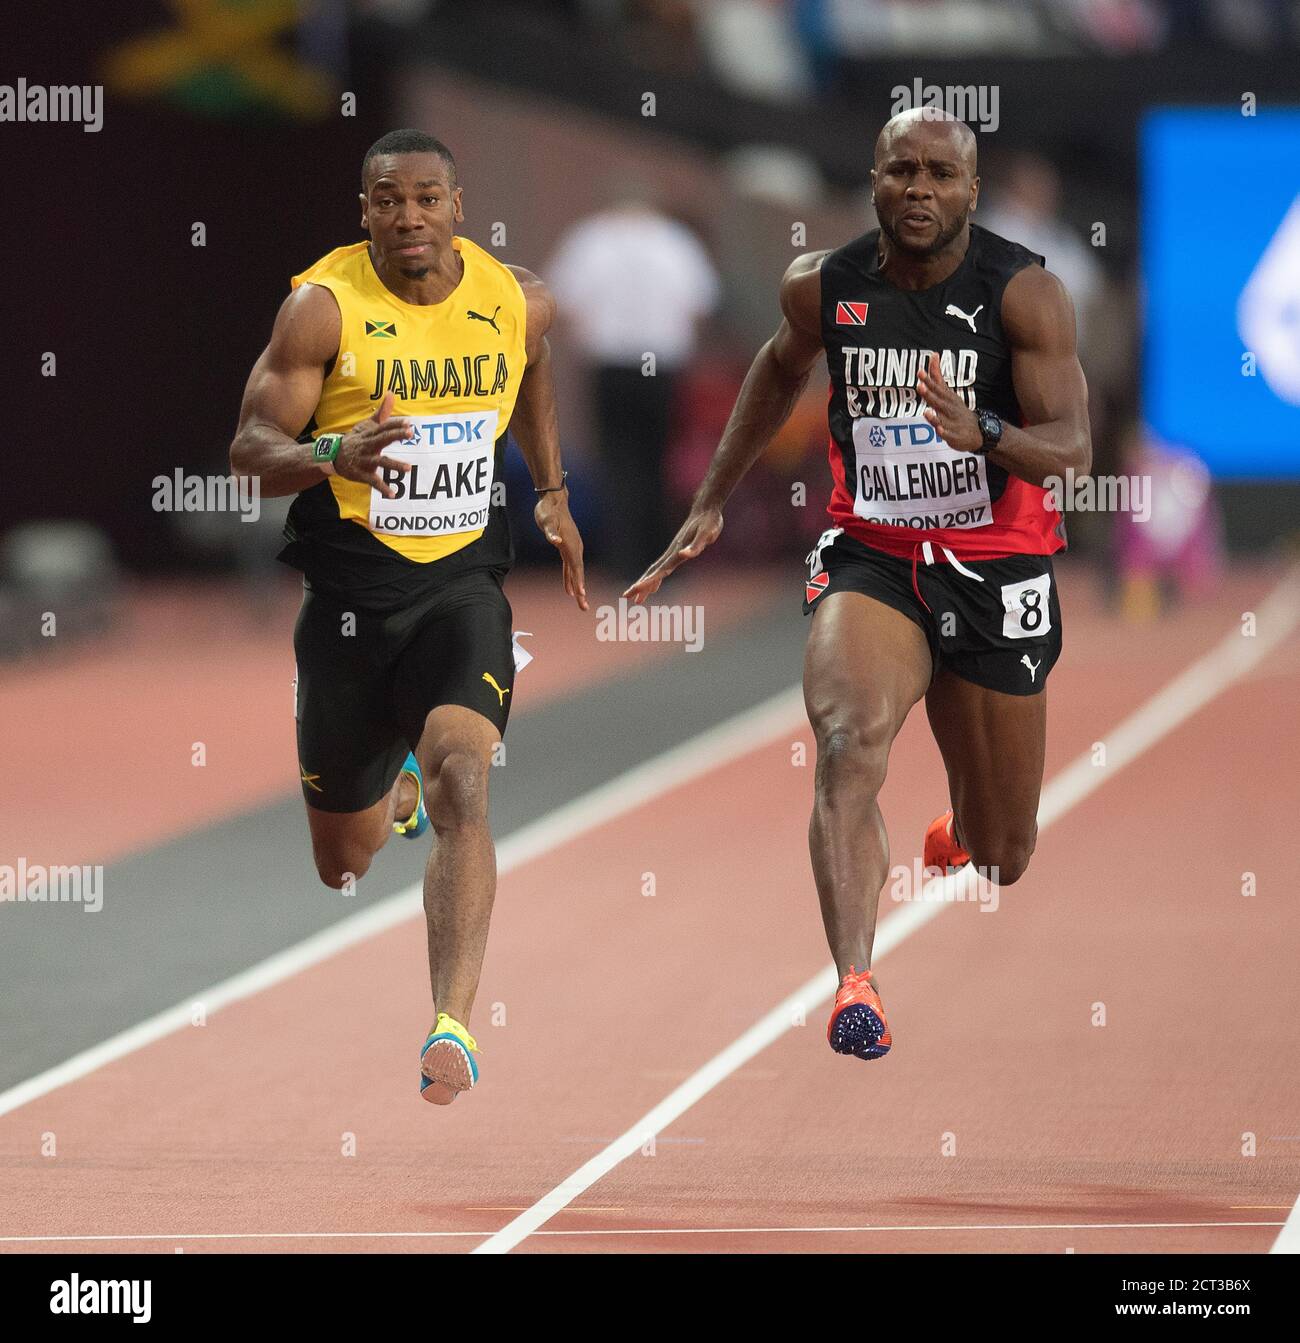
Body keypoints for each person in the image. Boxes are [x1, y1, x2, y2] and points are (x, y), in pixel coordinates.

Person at [627, 109, 1090, 1062]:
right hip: (872, 553)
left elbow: (1075, 452)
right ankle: (854, 981)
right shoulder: (825, 286)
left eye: (940, 175)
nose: (919, 190)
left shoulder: (1024, 294)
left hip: (997, 563)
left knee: (1007, 851)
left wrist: (988, 436)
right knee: (846, 743)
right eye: (900, 172)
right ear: (873, 182)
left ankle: (962, 829)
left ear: (972, 188)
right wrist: (713, 498)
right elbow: (775, 369)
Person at [230, 129, 587, 1103]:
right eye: (388, 200)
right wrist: (331, 450)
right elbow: (246, 450)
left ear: (457, 206)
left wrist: (549, 489)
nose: (409, 216)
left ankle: (452, 1023)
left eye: (426, 197)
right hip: (348, 603)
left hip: (461, 587)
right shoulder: (323, 307)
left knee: (465, 779)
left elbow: (534, 360)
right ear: (365, 211)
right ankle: (386, 777)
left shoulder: (512, 297)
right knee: (341, 866)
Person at [547, 190, 719, 578]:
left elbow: (562, 301)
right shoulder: (674, 241)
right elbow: (700, 304)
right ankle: (663, 556)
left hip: (612, 365)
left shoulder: (591, 238)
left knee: (617, 461)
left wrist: (591, 337)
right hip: (660, 365)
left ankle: (623, 561)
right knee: (660, 460)